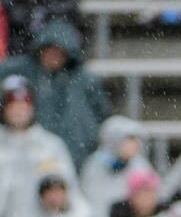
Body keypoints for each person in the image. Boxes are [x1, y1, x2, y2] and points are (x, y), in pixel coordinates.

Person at [0, 19, 109, 169]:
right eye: (50, 51)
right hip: (22, 150)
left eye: (60, 53)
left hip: (75, 155)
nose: (54, 57)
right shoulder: (19, 70)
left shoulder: (82, 80)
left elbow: (101, 113)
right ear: (41, 49)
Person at [0, 74, 77, 217]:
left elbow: (71, 194)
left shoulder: (50, 146)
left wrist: (60, 201)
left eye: (24, 105)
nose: (18, 111)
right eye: (12, 105)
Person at [79, 116, 151, 217]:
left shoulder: (139, 164)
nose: (136, 145)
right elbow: (90, 199)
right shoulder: (95, 164)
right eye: (130, 140)